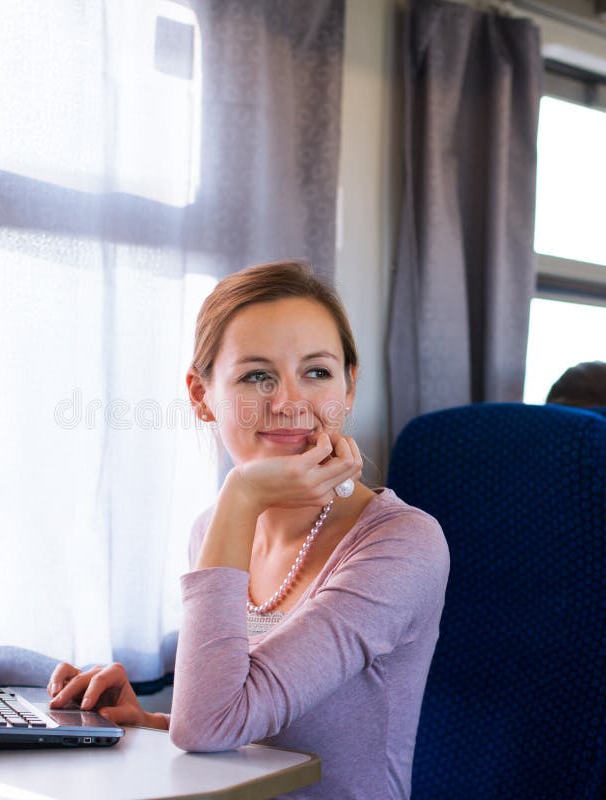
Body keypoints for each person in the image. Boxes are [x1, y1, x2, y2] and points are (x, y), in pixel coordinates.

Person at [47, 261, 450, 799]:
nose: (288, 403)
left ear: (349, 387)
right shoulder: (213, 531)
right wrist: (150, 721)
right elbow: (238, 729)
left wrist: (240, 494)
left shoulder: (403, 545)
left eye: (317, 372)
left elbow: (213, 724)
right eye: (257, 375)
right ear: (200, 395)